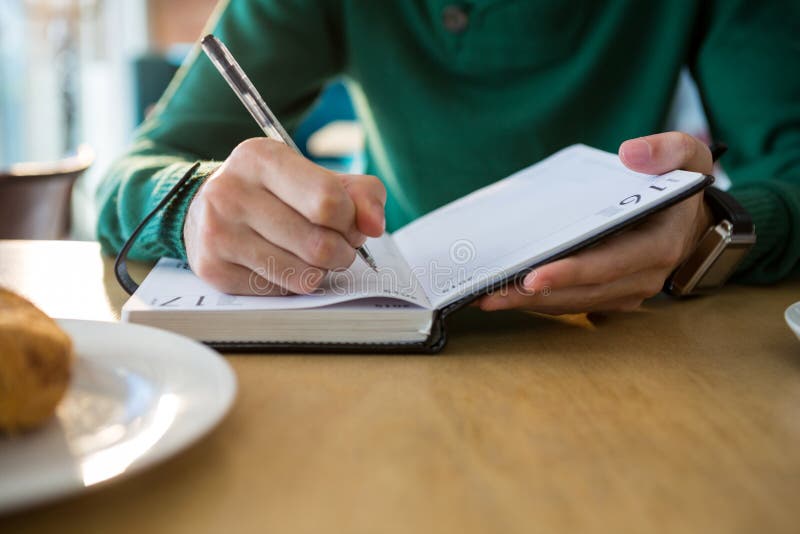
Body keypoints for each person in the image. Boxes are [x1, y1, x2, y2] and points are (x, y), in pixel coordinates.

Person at [97, 0, 799, 315]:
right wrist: (194, 207)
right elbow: (125, 175)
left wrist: (707, 230)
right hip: (388, 328)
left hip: (629, 334)